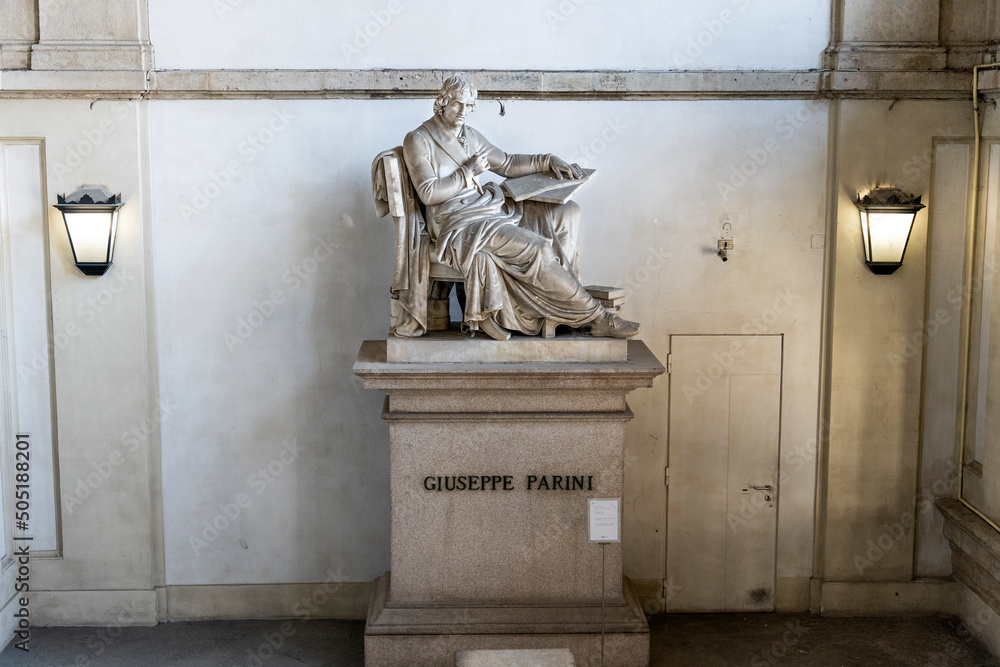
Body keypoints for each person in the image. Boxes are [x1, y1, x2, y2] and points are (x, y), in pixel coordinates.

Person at [401, 74, 640, 340]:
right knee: (538, 247)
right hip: (459, 224)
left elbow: (507, 163)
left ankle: (561, 306)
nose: (463, 112)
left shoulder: (469, 136)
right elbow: (428, 192)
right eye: (457, 104)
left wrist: (547, 161)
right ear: (443, 102)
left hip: (488, 209)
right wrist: (469, 171)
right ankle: (597, 317)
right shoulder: (418, 139)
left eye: (469, 106)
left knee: (565, 212)